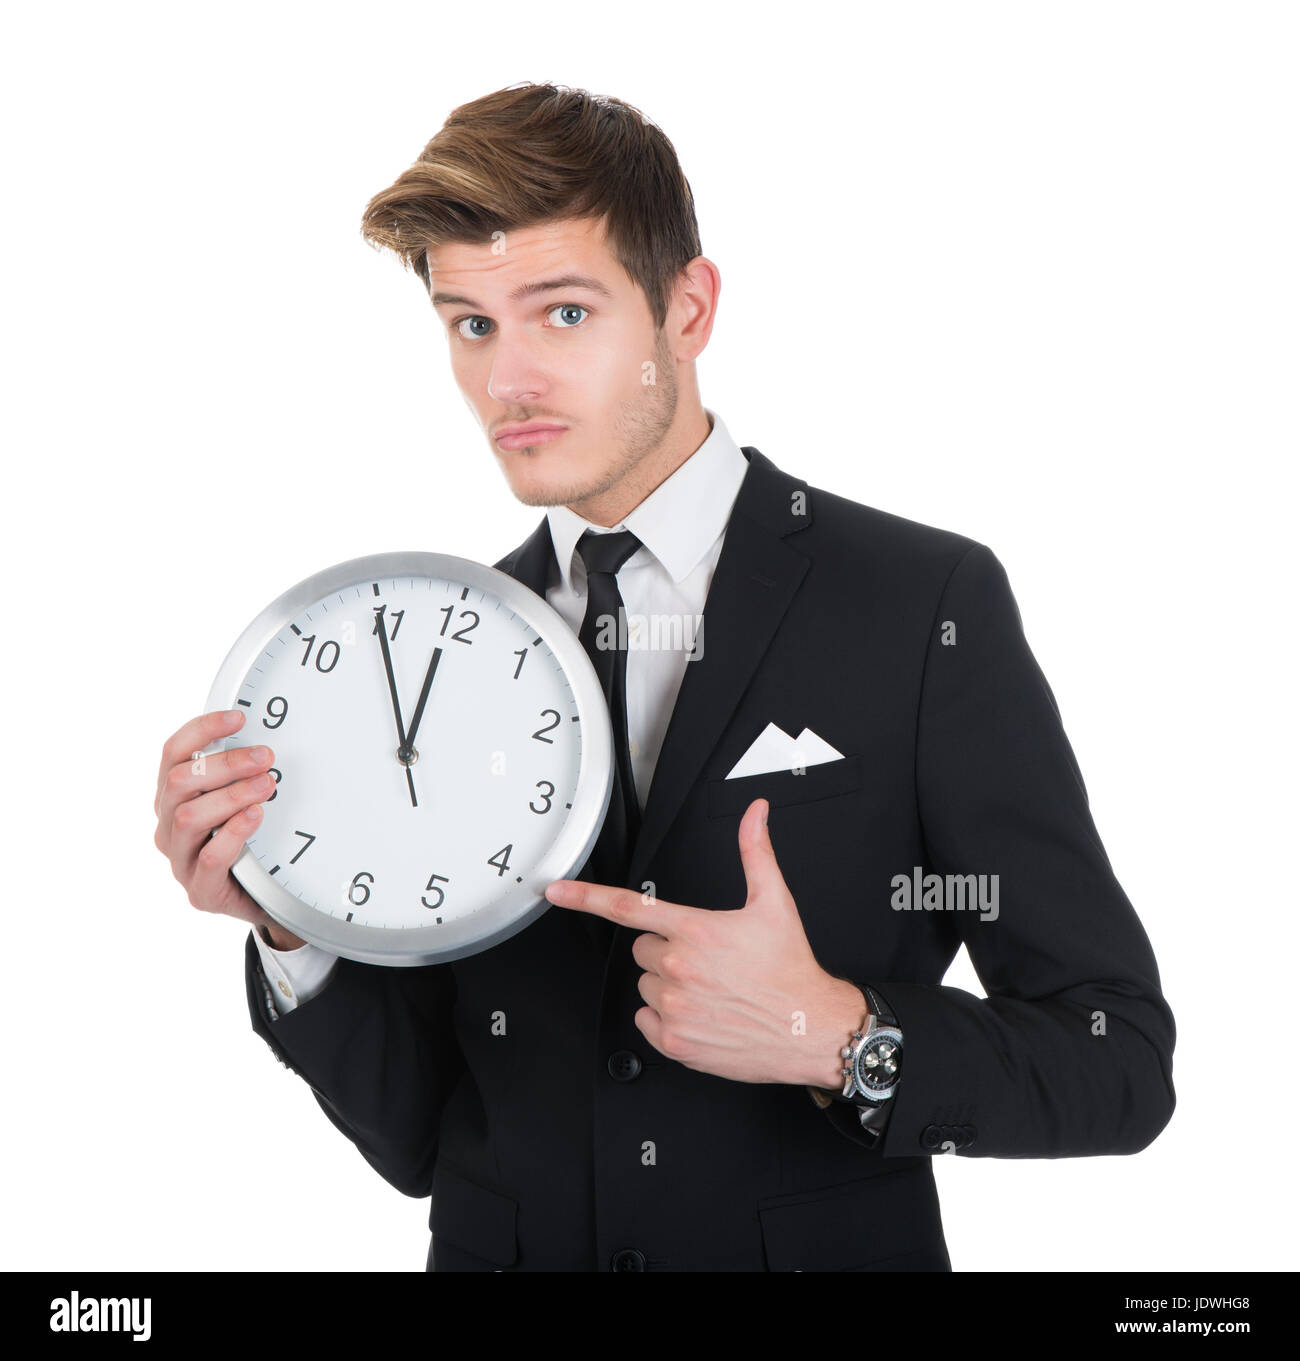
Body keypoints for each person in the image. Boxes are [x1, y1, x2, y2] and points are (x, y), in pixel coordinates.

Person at [152, 82, 1176, 1272]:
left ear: (685, 309)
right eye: (469, 324)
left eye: (564, 313)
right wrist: (295, 918)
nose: (507, 382)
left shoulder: (917, 605)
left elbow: (1115, 1060)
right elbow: (427, 1139)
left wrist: (836, 1032)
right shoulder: (440, 651)